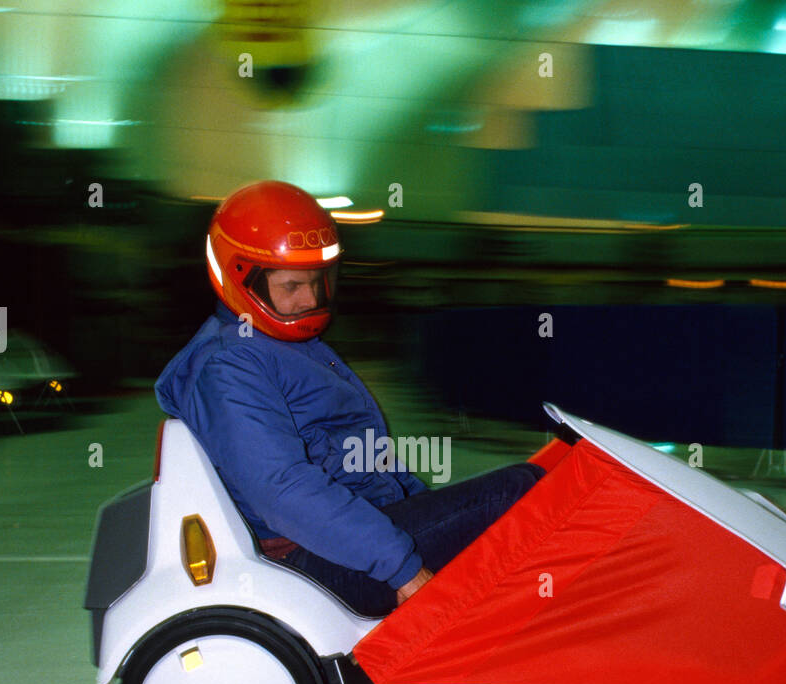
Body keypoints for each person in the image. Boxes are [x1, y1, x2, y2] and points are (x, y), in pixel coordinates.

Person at [155, 180, 541, 616]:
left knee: (544, 477)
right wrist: (402, 567)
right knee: (520, 492)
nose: (312, 300)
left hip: (358, 536)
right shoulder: (229, 367)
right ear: (239, 277)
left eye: (321, 281)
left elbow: (362, 455)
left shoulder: (278, 344)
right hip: (313, 563)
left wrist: (420, 504)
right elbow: (283, 490)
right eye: (292, 286)